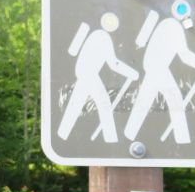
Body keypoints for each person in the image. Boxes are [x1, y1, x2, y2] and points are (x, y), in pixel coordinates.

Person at [124, 0, 195, 144]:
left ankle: (129, 132)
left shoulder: (165, 24)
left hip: (154, 66)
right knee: (174, 99)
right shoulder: (173, 27)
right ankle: (182, 139)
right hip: (158, 67)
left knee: (147, 99)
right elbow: (184, 56)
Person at [57, 12, 138, 142]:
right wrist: (131, 73)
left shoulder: (95, 34)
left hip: (84, 73)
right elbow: (113, 63)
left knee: (76, 103)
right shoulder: (103, 37)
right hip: (89, 74)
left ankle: (62, 134)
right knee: (103, 103)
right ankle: (111, 139)